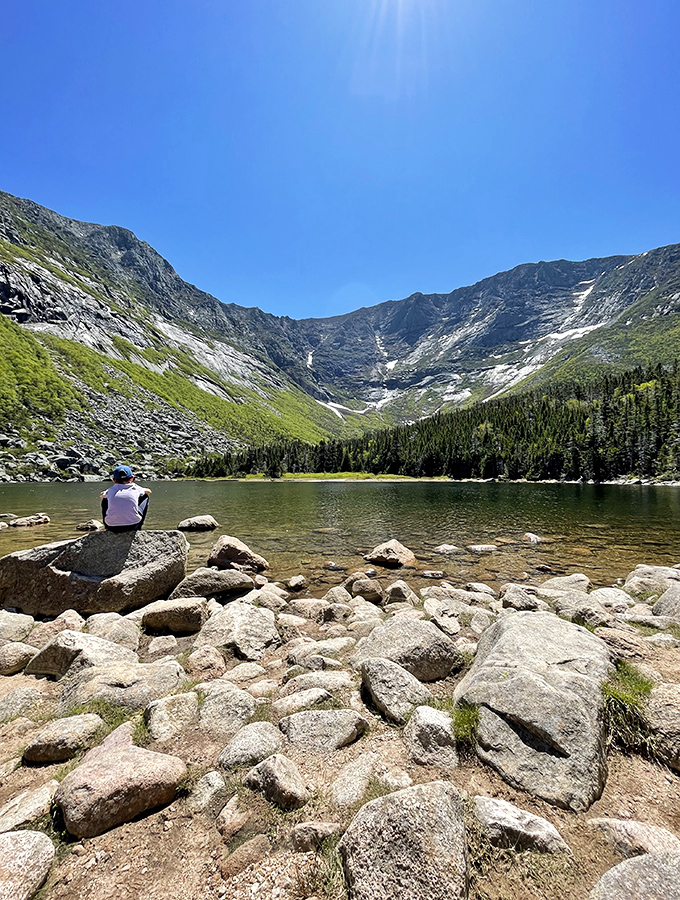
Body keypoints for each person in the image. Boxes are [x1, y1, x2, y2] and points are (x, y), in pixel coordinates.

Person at [100, 465, 152, 532]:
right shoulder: (135, 488)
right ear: (132, 478)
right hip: (133, 525)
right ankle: (139, 527)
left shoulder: (110, 490)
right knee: (145, 496)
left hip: (112, 527)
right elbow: (149, 491)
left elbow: (101, 495)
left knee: (105, 499)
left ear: (114, 480)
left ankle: (107, 526)